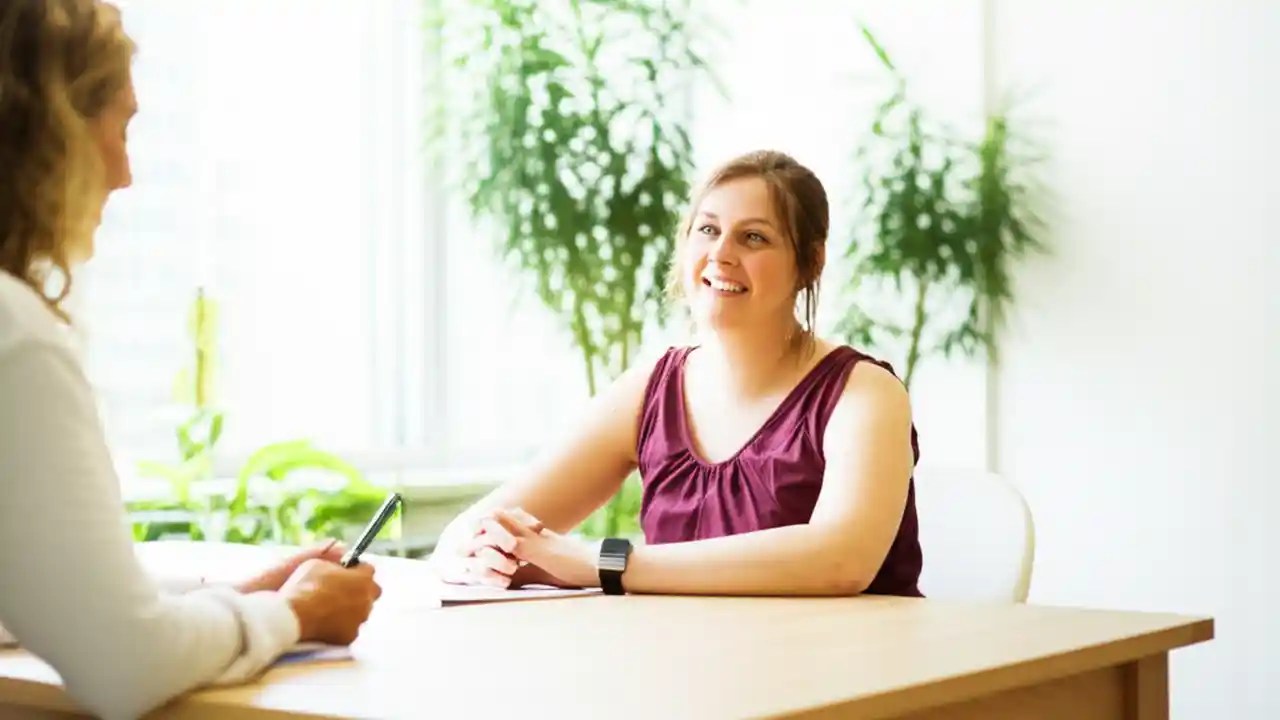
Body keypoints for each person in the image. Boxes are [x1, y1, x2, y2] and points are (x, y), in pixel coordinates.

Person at [0, 2, 381, 718]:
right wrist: (295, 615)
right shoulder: (15, 334)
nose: (125, 173)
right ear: (46, 128)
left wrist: (231, 601)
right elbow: (125, 664)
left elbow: (38, 595)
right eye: (121, 125)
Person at [432, 149, 924, 598]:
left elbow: (841, 561)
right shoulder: (651, 391)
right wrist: (492, 553)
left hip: (848, 673)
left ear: (810, 263)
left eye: (754, 237)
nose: (722, 254)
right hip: (688, 670)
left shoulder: (865, 394)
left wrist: (597, 562)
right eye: (707, 230)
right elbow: (469, 532)